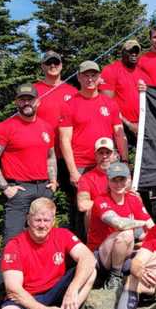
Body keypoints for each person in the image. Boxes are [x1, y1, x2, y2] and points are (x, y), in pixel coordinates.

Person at [0, 83, 59, 293]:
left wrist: (53, 182)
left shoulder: (45, 127)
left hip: (43, 189)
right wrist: (5, 187)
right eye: (22, 99)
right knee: (12, 239)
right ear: (17, 102)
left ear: (38, 101)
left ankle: (41, 284)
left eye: (30, 99)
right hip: (19, 190)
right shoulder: (5, 127)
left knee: (45, 236)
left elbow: (51, 156)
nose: (27, 103)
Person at [59, 61, 128, 238]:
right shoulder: (69, 104)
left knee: (115, 203)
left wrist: (125, 161)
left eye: (94, 75)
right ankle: (80, 253)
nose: (90, 79)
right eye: (86, 75)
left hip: (108, 163)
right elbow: (64, 140)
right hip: (82, 165)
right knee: (81, 210)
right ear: (79, 77)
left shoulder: (109, 103)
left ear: (99, 78)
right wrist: (73, 171)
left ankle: (115, 249)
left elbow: (119, 134)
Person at [86, 162, 153, 293]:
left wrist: (148, 241)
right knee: (126, 233)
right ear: (108, 181)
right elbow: (119, 224)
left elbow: (152, 228)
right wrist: (142, 223)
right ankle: (115, 276)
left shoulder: (133, 199)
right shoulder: (101, 200)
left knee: (151, 246)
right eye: (114, 180)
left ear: (128, 180)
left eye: (121, 179)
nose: (118, 184)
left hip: (123, 252)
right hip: (100, 254)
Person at [100, 40, 149, 135]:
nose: (134, 54)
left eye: (136, 52)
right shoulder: (110, 70)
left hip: (142, 127)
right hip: (119, 127)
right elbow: (106, 104)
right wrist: (128, 124)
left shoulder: (144, 75)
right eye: (130, 51)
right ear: (123, 53)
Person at [33, 50, 77, 133]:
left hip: (67, 143)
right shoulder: (33, 90)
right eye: (48, 62)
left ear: (61, 65)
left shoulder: (73, 91)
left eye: (56, 62)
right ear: (42, 66)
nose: (53, 65)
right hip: (42, 142)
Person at [75, 137, 118, 218]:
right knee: (89, 212)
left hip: (123, 217)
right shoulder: (86, 178)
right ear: (95, 155)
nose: (104, 156)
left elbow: (134, 198)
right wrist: (110, 206)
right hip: (100, 219)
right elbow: (82, 205)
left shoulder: (122, 174)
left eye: (108, 152)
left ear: (114, 155)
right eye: (101, 153)